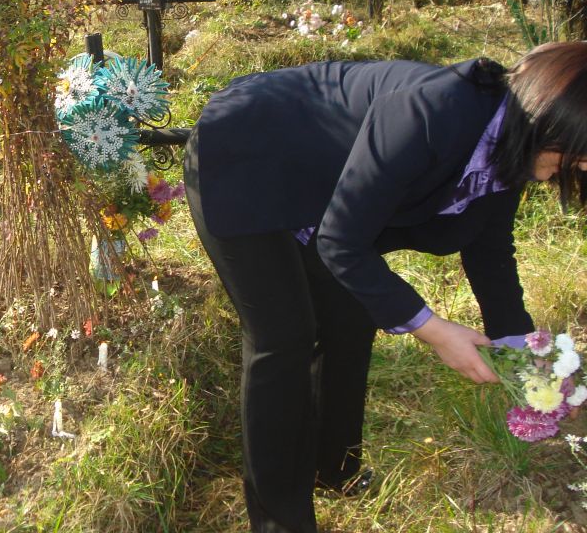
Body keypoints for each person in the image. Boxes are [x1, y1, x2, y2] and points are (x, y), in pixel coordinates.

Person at [182, 42, 587, 533]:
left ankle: (337, 470)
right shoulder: (435, 112)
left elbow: (490, 248)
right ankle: (279, 521)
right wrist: (435, 330)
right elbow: (342, 241)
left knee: (351, 318)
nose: (583, 167)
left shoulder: (512, 137)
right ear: (552, 117)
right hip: (246, 154)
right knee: (282, 336)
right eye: (581, 152)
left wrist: (521, 352)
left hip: (319, 182)